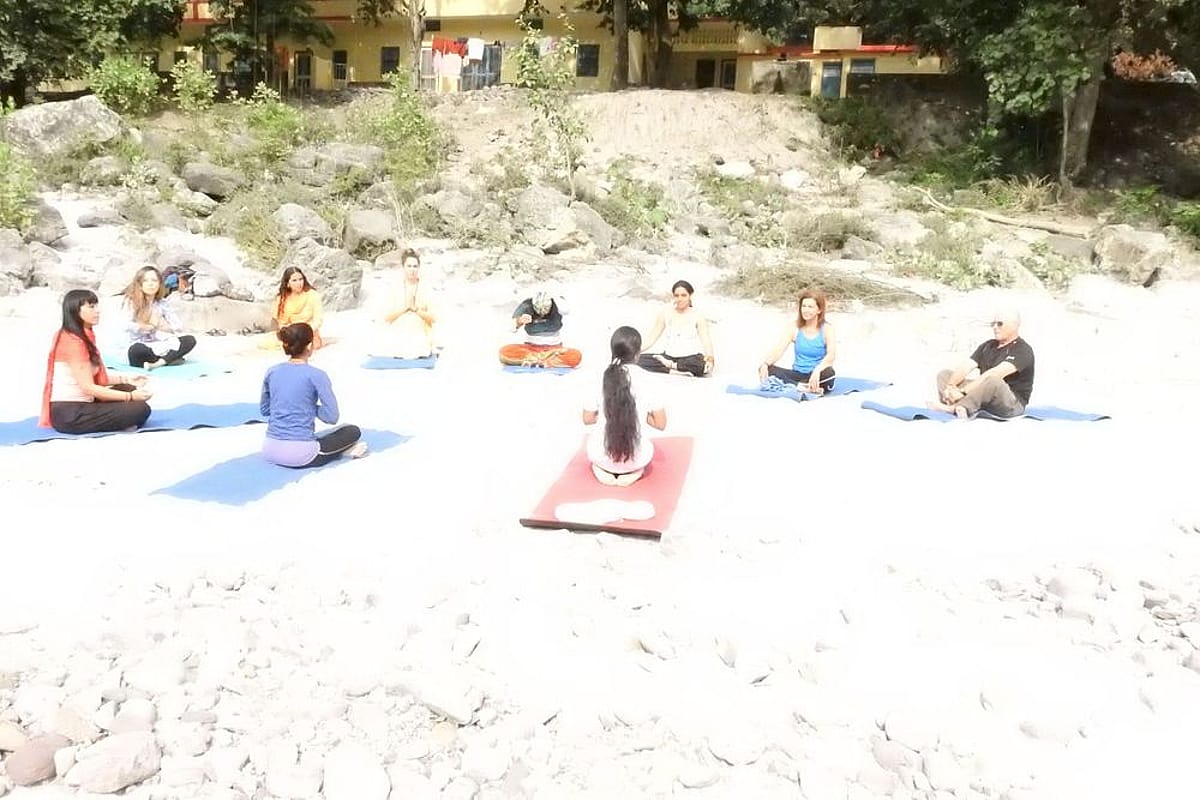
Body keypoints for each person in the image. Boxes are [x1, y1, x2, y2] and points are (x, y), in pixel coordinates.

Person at [40, 289, 153, 434]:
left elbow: (97, 378)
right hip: (70, 413)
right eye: (91, 307)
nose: (97, 311)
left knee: (127, 387)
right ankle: (121, 422)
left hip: (84, 403)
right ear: (75, 310)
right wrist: (130, 397)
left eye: (96, 306)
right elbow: (89, 387)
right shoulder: (72, 341)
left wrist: (127, 378)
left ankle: (120, 418)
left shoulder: (82, 336)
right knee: (140, 409)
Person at [260, 322, 367, 467]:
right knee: (352, 431)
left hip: (269, 449)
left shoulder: (272, 371)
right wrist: (310, 406)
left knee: (328, 434)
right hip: (301, 455)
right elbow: (331, 417)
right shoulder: (317, 375)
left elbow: (265, 410)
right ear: (309, 346)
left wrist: (293, 403)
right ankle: (344, 451)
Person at [582, 326, 667, 487]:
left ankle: (603, 471)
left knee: (594, 444)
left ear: (612, 351)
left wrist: (610, 411)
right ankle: (631, 473)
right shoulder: (650, 379)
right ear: (637, 354)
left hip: (600, 457)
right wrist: (639, 413)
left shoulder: (598, 376)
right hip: (636, 459)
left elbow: (587, 419)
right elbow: (660, 424)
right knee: (646, 447)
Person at [929, 309, 1035, 419]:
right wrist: (951, 387)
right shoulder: (988, 346)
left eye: (1000, 324)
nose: (995, 327)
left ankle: (957, 407)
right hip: (985, 394)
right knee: (945, 375)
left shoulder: (1022, 350)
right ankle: (953, 403)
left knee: (992, 381)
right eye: (992, 324)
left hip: (1011, 403)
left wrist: (963, 392)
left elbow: (996, 373)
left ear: (1014, 325)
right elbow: (966, 367)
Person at [758, 289, 837, 394]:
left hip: (818, 375)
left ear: (819, 310)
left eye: (810, 307)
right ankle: (802, 387)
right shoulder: (794, 327)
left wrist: (817, 371)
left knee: (830, 373)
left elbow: (831, 356)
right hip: (797, 375)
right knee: (767, 369)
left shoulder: (827, 329)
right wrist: (765, 364)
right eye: (803, 306)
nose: (805, 310)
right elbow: (779, 349)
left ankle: (797, 386)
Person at [119, 265, 198, 369]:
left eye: (154, 281)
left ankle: (157, 363)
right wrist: (145, 327)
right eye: (146, 281)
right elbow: (124, 325)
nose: (150, 284)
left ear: (160, 284)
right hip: (139, 344)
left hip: (159, 342)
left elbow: (178, 326)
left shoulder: (162, 303)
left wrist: (161, 325)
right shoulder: (131, 302)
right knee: (136, 350)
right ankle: (168, 359)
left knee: (189, 340)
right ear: (139, 284)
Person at [636, 280, 715, 377]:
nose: (679, 299)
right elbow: (652, 337)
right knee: (638, 359)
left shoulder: (698, 315)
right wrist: (635, 352)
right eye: (676, 295)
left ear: (690, 295)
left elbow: (706, 339)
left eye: (683, 295)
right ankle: (675, 370)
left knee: (700, 365)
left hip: (689, 358)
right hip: (668, 357)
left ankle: (672, 366)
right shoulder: (665, 313)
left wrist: (710, 358)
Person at [370, 249, 437, 359]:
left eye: (415, 266)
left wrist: (416, 310)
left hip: (419, 329)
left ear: (419, 268)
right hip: (399, 327)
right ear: (403, 267)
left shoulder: (426, 288)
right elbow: (387, 317)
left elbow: (433, 318)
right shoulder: (395, 287)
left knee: (420, 349)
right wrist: (405, 308)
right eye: (409, 266)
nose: (412, 270)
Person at [498, 291, 582, 369]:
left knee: (575, 355)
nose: (542, 312)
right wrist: (520, 321)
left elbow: (567, 310)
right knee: (504, 351)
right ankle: (535, 359)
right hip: (531, 349)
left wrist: (557, 298)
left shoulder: (558, 304)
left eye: (546, 308)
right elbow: (512, 328)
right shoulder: (527, 305)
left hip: (554, 350)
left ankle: (544, 362)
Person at [261, 267, 324, 350]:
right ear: (288, 283)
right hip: (289, 335)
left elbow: (318, 320)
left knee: (306, 347)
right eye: (294, 280)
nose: (299, 283)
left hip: (308, 334)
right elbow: (281, 322)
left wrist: (304, 333)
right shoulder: (282, 298)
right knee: (264, 344)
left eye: (300, 279)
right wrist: (290, 334)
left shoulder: (312, 295)